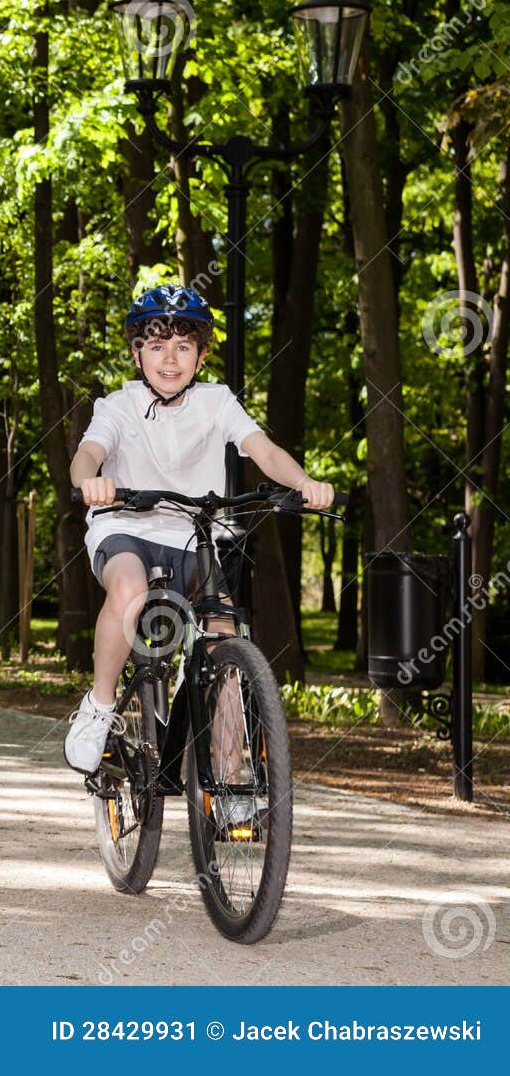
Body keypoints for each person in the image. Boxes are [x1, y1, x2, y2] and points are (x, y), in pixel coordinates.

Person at [64, 285, 333, 790]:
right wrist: (89, 481)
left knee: (225, 642)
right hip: (127, 526)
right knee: (130, 590)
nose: (170, 358)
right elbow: (87, 453)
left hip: (195, 534)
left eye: (184, 347)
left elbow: (264, 451)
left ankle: (233, 777)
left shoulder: (217, 402)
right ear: (136, 350)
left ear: (201, 355)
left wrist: (303, 483)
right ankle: (99, 707)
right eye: (157, 344)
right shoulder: (117, 405)